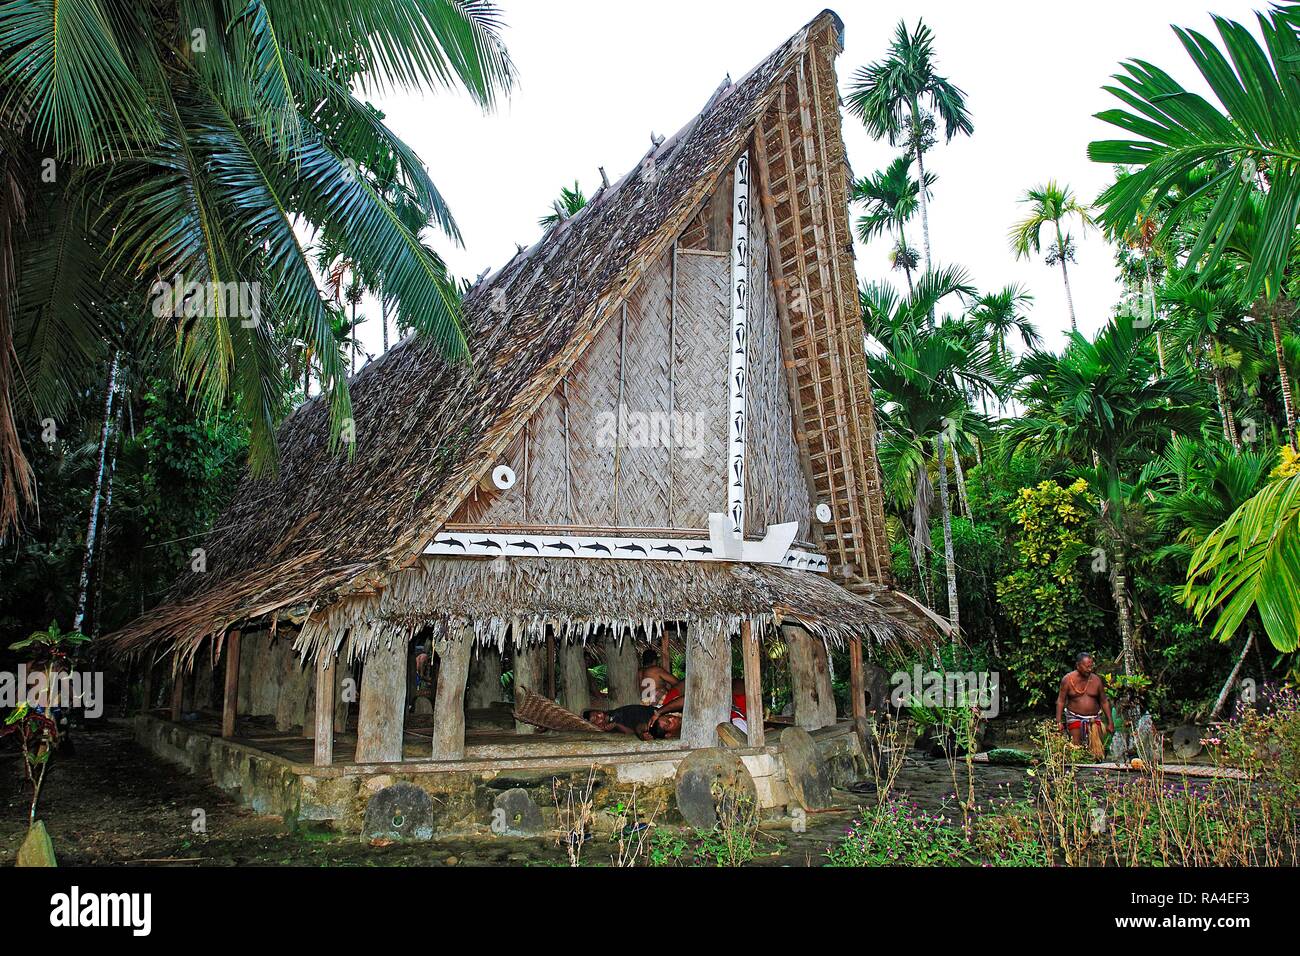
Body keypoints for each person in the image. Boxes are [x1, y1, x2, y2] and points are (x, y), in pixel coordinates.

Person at [1056, 652, 1113, 758]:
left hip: (1094, 719)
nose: (1090, 669)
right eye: (1087, 667)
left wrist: (1110, 722)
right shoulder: (1068, 680)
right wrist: (1058, 721)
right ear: (1078, 666)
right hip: (1074, 717)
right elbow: (1061, 701)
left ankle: (1096, 767)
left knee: (1096, 751)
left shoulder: (1096, 680)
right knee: (1076, 748)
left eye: (1091, 666)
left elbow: (1104, 701)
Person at [649, 678, 750, 737]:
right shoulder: (690, 733)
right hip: (736, 718)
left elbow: (690, 697)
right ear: (668, 735)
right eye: (668, 723)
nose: (671, 718)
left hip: (734, 701)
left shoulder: (672, 706)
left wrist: (659, 712)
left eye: (667, 716)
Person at [583, 704, 658, 739]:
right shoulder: (609, 727)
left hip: (654, 717)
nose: (598, 716)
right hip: (651, 727)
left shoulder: (617, 714)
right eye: (595, 719)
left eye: (597, 713)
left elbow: (636, 727)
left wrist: (616, 725)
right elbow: (631, 733)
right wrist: (616, 726)